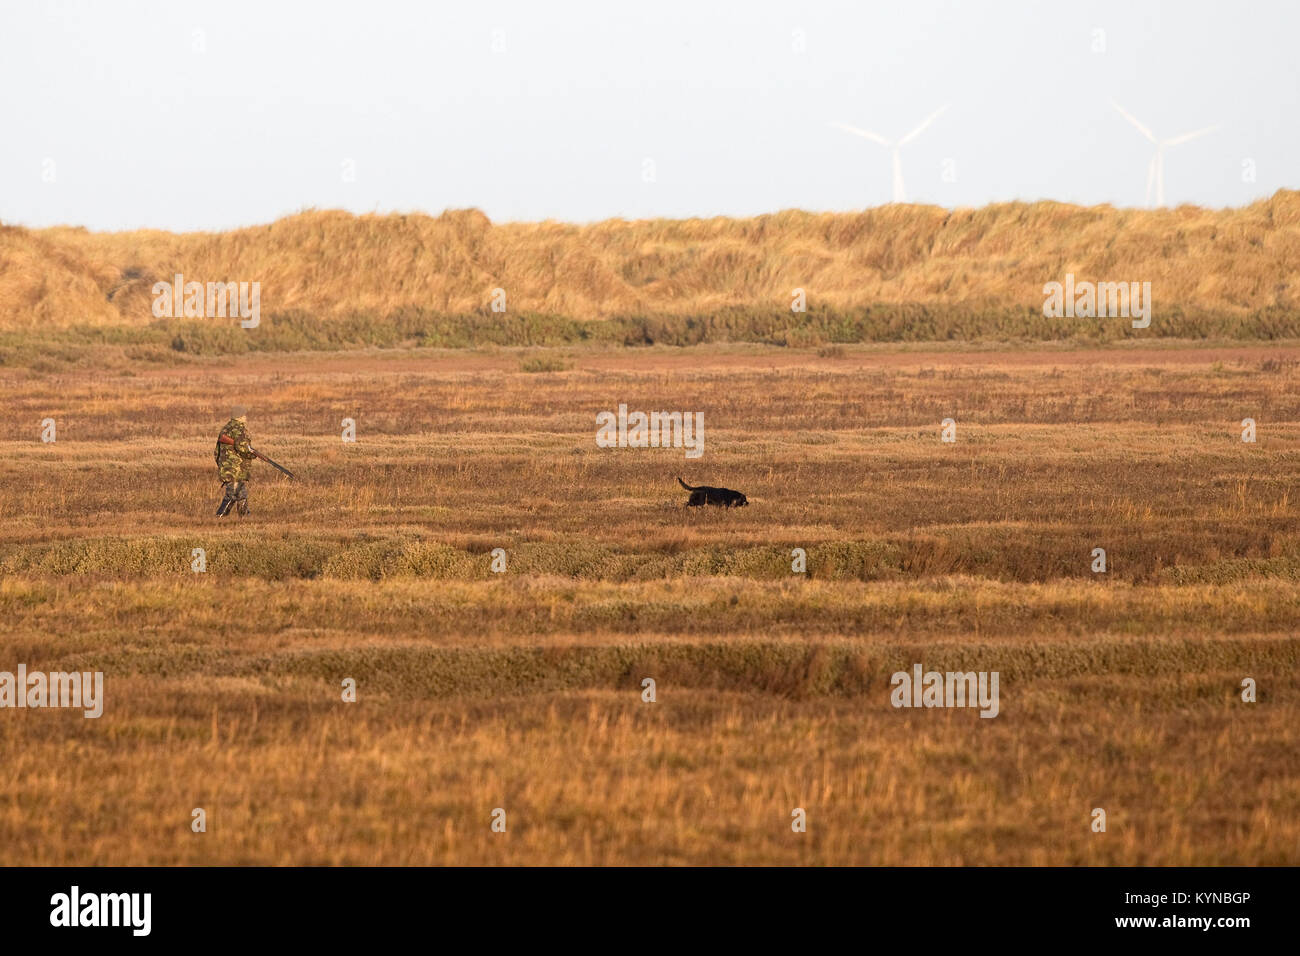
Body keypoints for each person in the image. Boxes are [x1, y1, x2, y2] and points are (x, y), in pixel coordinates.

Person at [215, 406, 256, 516]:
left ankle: (245, 518)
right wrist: (252, 454)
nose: (246, 417)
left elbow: (216, 452)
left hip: (227, 467)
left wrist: (221, 464)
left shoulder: (225, 428)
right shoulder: (239, 429)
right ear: (239, 417)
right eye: (244, 415)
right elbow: (243, 448)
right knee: (232, 494)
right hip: (236, 468)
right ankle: (220, 516)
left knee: (241, 493)